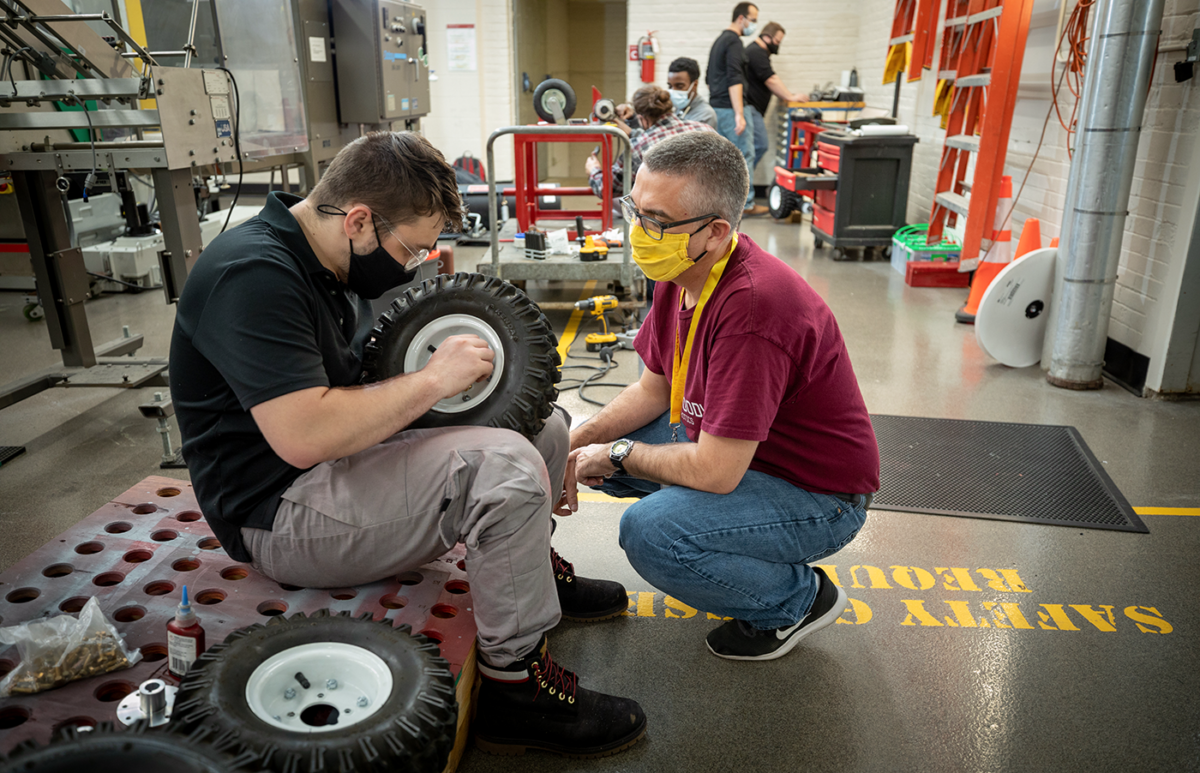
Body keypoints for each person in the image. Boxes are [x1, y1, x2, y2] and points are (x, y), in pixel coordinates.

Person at [169, 131, 646, 757]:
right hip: (280, 512)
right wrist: (431, 381)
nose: (417, 262)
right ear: (360, 220)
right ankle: (515, 691)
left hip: (342, 462)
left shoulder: (326, 258)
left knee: (544, 426)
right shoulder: (253, 276)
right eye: (413, 249)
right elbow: (305, 435)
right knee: (504, 469)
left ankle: (532, 578)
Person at [565, 131, 880, 661]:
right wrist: (574, 447)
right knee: (604, 449)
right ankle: (724, 536)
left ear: (715, 231)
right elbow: (654, 387)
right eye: (634, 210)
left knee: (650, 532)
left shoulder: (753, 311)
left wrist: (613, 455)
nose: (638, 232)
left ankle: (796, 601)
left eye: (656, 221)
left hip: (816, 495)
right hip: (741, 451)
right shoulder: (679, 268)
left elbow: (716, 472)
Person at [586, 84, 714, 200]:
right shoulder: (706, 130)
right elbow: (665, 136)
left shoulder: (637, 149)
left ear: (642, 118)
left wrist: (594, 169)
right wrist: (632, 132)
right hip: (710, 206)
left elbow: (606, 189)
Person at [706, 2, 768, 217]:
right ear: (741, 18)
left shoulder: (720, 40)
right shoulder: (734, 42)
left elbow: (708, 78)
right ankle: (746, 204)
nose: (754, 25)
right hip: (730, 108)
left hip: (717, 107)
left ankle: (723, 201)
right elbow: (735, 77)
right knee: (744, 155)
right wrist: (739, 113)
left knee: (725, 157)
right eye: (753, 20)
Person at [743, 22, 807, 172]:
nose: (778, 46)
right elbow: (771, 79)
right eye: (777, 42)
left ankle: (741, 178)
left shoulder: (758, 52)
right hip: (751, 107)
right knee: (760, 145)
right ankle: (741, 178)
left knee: (754, 147)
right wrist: (790, 97)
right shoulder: (756, 52)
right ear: (767, 37)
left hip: (754, 108)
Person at [666, 57, 718, 129]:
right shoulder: (677, 109)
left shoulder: (705, 116)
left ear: (695, 84)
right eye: (670, 86)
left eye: (680, 86)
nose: (673, 90)